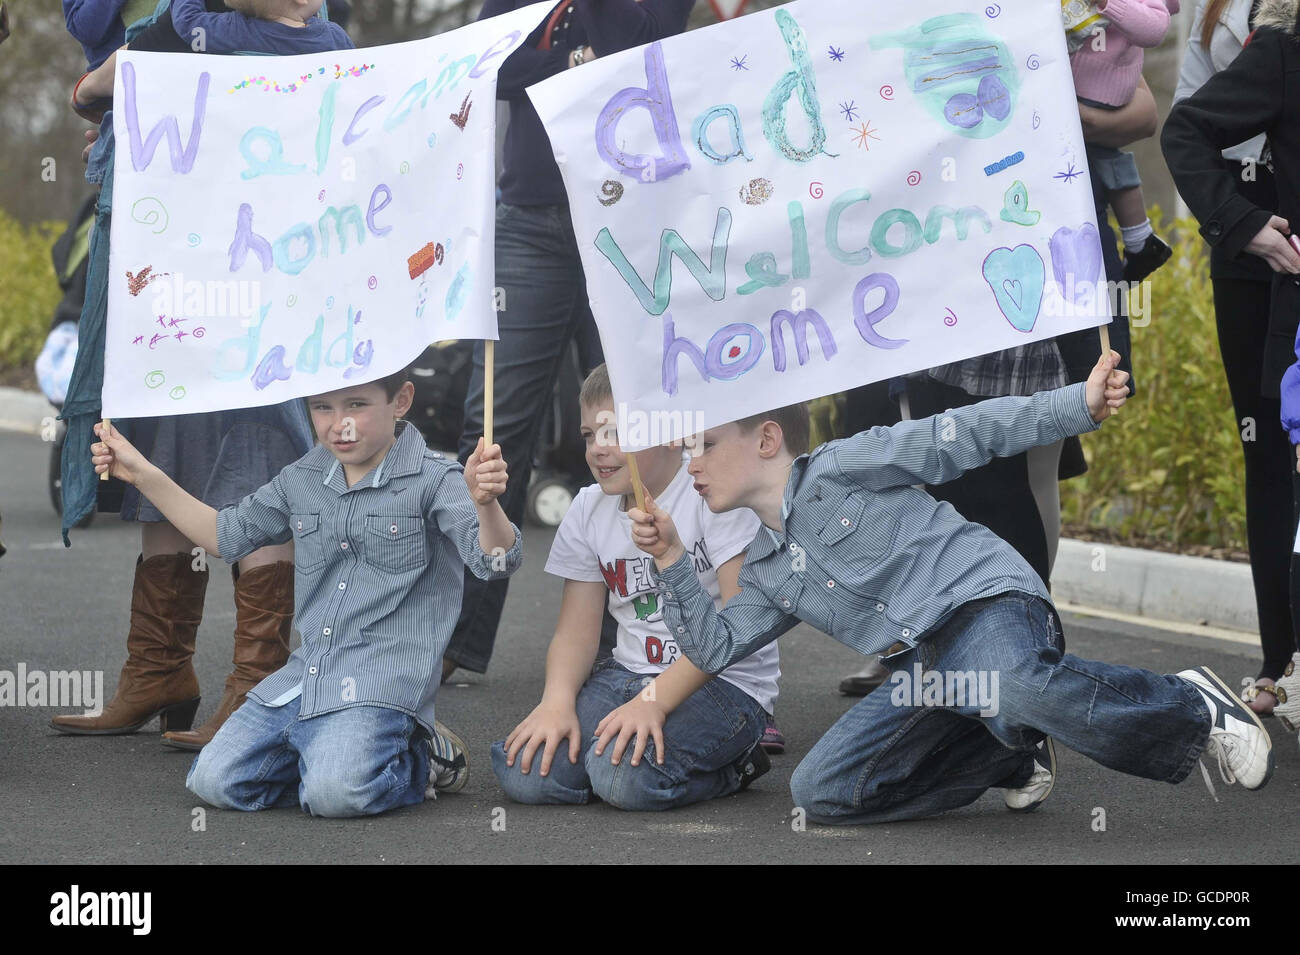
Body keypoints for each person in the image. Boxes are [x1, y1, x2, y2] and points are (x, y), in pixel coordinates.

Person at [627, 355, 1277, 825]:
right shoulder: (770, 571)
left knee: (1014, 679)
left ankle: (1194, 704)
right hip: (928, 669)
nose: (693, 464)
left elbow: (964, 434)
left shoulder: (845, 464)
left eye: (705, 445)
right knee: (820, 790)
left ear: (767, 437)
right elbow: (714, 647)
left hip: (987, 603)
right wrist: (674, 558)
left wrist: (1075, 404)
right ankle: (1008, 752)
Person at [52, 0, 353, 751]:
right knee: (170, 456)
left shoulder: (220, 29)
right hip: (182, 285)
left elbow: (89, 91)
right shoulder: (195, 22)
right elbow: (89, 91)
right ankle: (157, 671)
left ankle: (256, 692)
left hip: (258, 289)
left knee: (259, 462)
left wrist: (150, 66)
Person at [834, 83, 1157, 698]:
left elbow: (1142, 110)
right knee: (921, 468)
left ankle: (1027, 652)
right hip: (930, 242)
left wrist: (1054, 97)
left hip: (1030, 242)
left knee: (1026, 476)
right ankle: (923, 641)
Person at [88, 367, 523, 817]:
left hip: (381, 688)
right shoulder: (302, 476)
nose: (340, 424)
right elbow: (224, 536)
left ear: (401, 400)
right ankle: (332, 756)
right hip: (305, 680)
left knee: (337, 796)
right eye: (322, 407)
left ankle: (420, 755)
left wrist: (485, 504)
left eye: (357, 404)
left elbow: (496, 562)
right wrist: (140, 474)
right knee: (212, 781)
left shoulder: (437, 479)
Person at [444, 0, 696, 684]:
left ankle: (646, 631)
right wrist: (564, 59)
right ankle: (457, 638)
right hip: (529, 219)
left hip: (626, 217)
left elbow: (639, 56)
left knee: (635, 424)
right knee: (493, 424)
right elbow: (488, 69)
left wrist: (568, 55)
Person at [492, 365, 778, 809]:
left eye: (615, 432)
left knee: (622, 779)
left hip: (724, 685)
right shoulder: (587, 508)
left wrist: (656, 702)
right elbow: (576, 633)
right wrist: (556, 702)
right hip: (627, 675)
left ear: (668, 432)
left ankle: (737, 765)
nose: (598, 450)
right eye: (589, 434)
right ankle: (611, 761)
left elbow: (739, 627)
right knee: (528, 772)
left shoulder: (712, 492)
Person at [1164, 0, 1300, 734]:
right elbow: (1187, 116)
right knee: (1270, 456)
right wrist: (1241, 226)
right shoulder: (1237, 19)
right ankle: (1280, 661)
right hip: (1255, 255)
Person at [1067, 0, 1178, 282]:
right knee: (1105, 156)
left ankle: (1139, 239)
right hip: (1072, 83)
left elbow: (1154, 28)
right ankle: (1140, 238)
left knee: (1095, 154)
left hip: (1095, 86)